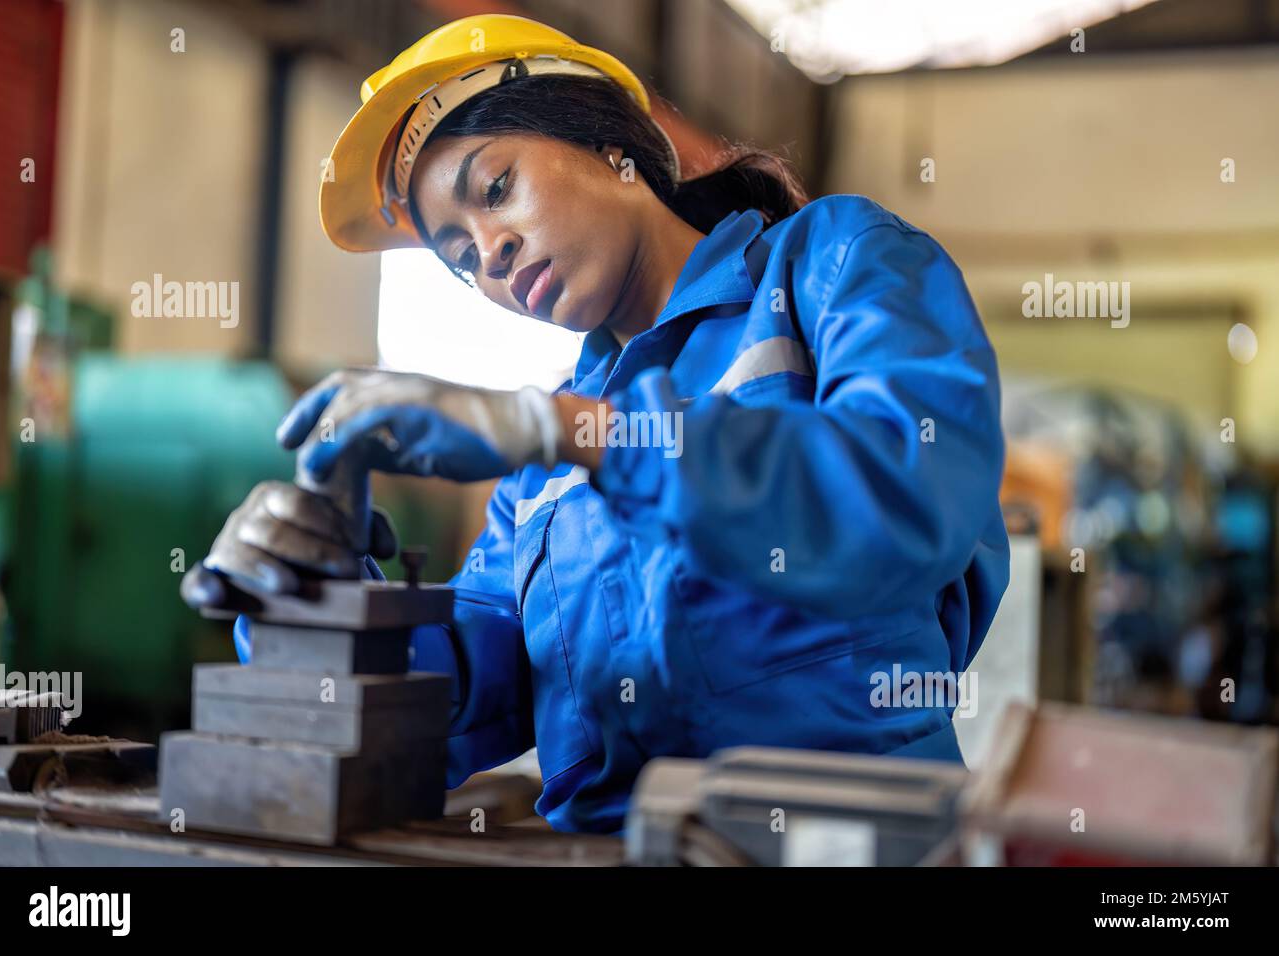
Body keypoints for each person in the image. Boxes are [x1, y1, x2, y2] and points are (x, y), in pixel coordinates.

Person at [183, 14, 1010, 834]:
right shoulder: (537, 481)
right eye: (461, 258)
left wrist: (584, 433)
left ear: (611, 145)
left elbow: (907, 494)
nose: (491, 255)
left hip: (858, 847)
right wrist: (312, 596)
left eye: (495, 189)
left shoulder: (832, 263)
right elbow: (453, 691)